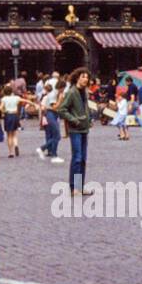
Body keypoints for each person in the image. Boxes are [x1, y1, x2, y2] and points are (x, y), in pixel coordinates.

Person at [55, 68, 94, 196]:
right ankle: (74, 188)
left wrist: (89, 118)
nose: (86, 79)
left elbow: (85, 107)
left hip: (84, 129)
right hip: (75, 129)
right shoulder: (72, 92)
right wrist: (74, 120)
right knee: (77, 158)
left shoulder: (85, 92)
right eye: (83, 77)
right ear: (77, 78)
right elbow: (62, 109)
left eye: (87, 77)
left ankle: (80, 186)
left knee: (83, 159)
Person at [37, 79, 63, 163]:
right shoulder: (53, 95)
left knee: (56, 135)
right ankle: (43, 149)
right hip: (50, 114)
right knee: (57, 135)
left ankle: (53, 153)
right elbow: (55, 107)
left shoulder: (55, 94)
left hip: (53, 115)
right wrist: (60, 100)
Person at [1, 84, 23, 155]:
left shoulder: (3, 99)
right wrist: (33, 104)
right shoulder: (16, 97)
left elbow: (1, 108)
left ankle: (11, 152)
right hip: (15, 115)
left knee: (9, 135)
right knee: (15, 133)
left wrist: (2, 111)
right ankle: (16, 145)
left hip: (8, 115)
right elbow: (25, 100)